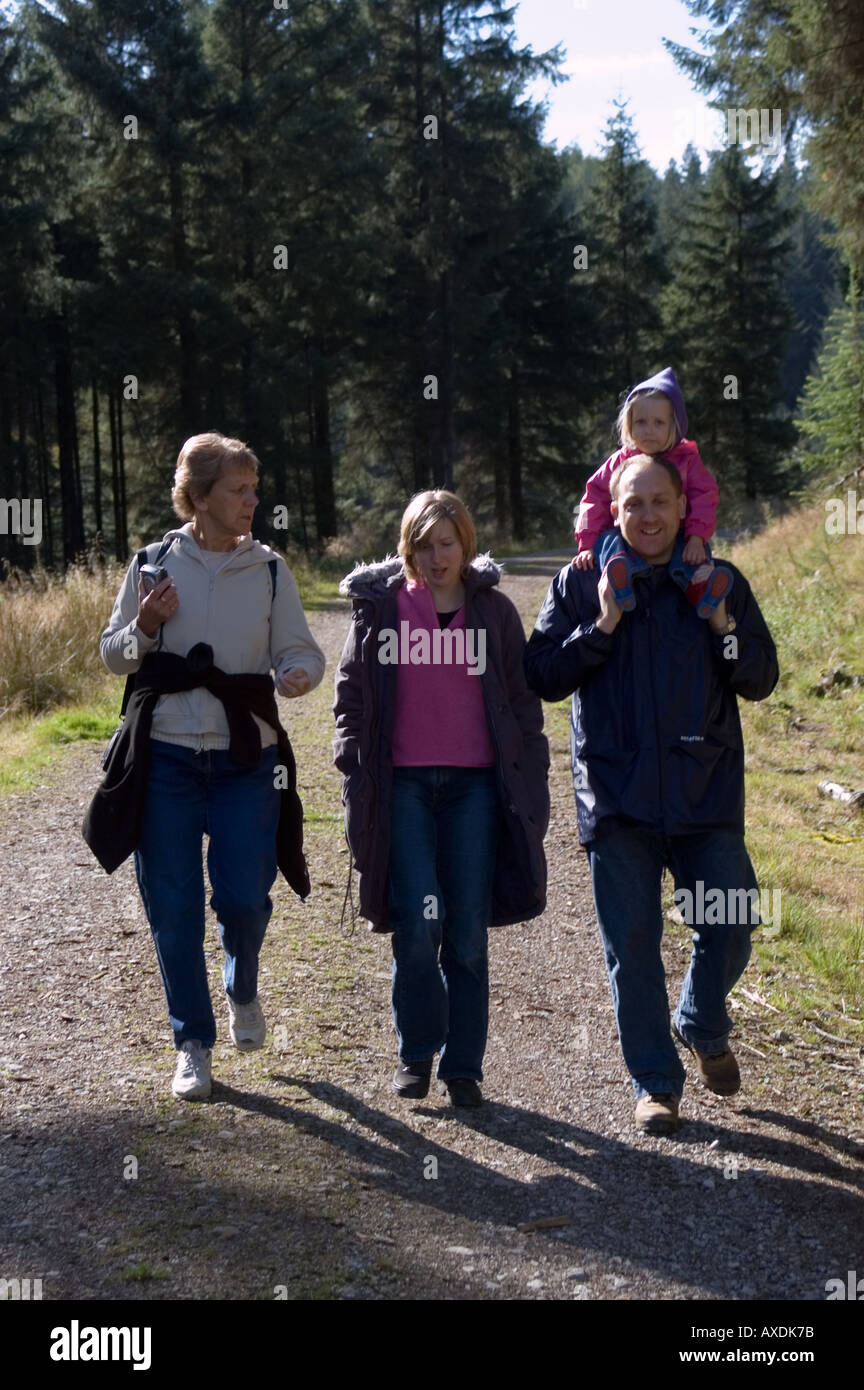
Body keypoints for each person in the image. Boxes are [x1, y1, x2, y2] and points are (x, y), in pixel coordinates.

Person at [526, 454, 778, 1135]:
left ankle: (698, 1018)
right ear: (613, 508)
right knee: (632, 945)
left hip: (706, 794)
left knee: (730, 920)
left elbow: (760, 679)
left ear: (680, 505)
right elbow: (543, 674)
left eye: (659, 501)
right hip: (616, 796)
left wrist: (723, 626)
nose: (646, 516)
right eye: (632, 504)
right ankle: (656, 1083)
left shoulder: (715, 581)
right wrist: (601, 626)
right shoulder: (582, 585)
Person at [90, 432, 325, 1101]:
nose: (253, 501)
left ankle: (242, 982)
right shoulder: (152, 562)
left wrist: (299, 672)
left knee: (244, 899)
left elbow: (299, 648)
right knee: (172, 906)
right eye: (239, 490)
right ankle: (192, 1042)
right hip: (165, 755)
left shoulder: (270, 569)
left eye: (254, 489)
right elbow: (114, 655)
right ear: (199, 497)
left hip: (246, 759)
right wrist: (142, 623)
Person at [333, 490, 549, 1107]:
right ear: (408, 547)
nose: (436, 556)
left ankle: (463, 1066)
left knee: (467, 930)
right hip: (403, 787)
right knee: (417, 921)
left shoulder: (495, 614)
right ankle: (416, 1051)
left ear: (466, 544)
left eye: (446, 543)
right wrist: (353, 765)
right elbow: (350, 696)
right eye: (423, 546)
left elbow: (523, 705)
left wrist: (530, 778)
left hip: (475, 789)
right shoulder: (383, 610)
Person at [573, 367, 733, 619]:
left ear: (674, 426)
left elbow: (705, 496)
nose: (648, 430)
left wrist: (696, 536)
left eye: (658, 423)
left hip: (677, 532)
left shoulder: (686, 460)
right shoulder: (620, 461)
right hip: (627, 537)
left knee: (693, 556)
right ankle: (618, 580)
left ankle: (701, 588)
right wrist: (587, 544)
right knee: (610, 540)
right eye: (641, 422)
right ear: (629, 425)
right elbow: (594, 498)